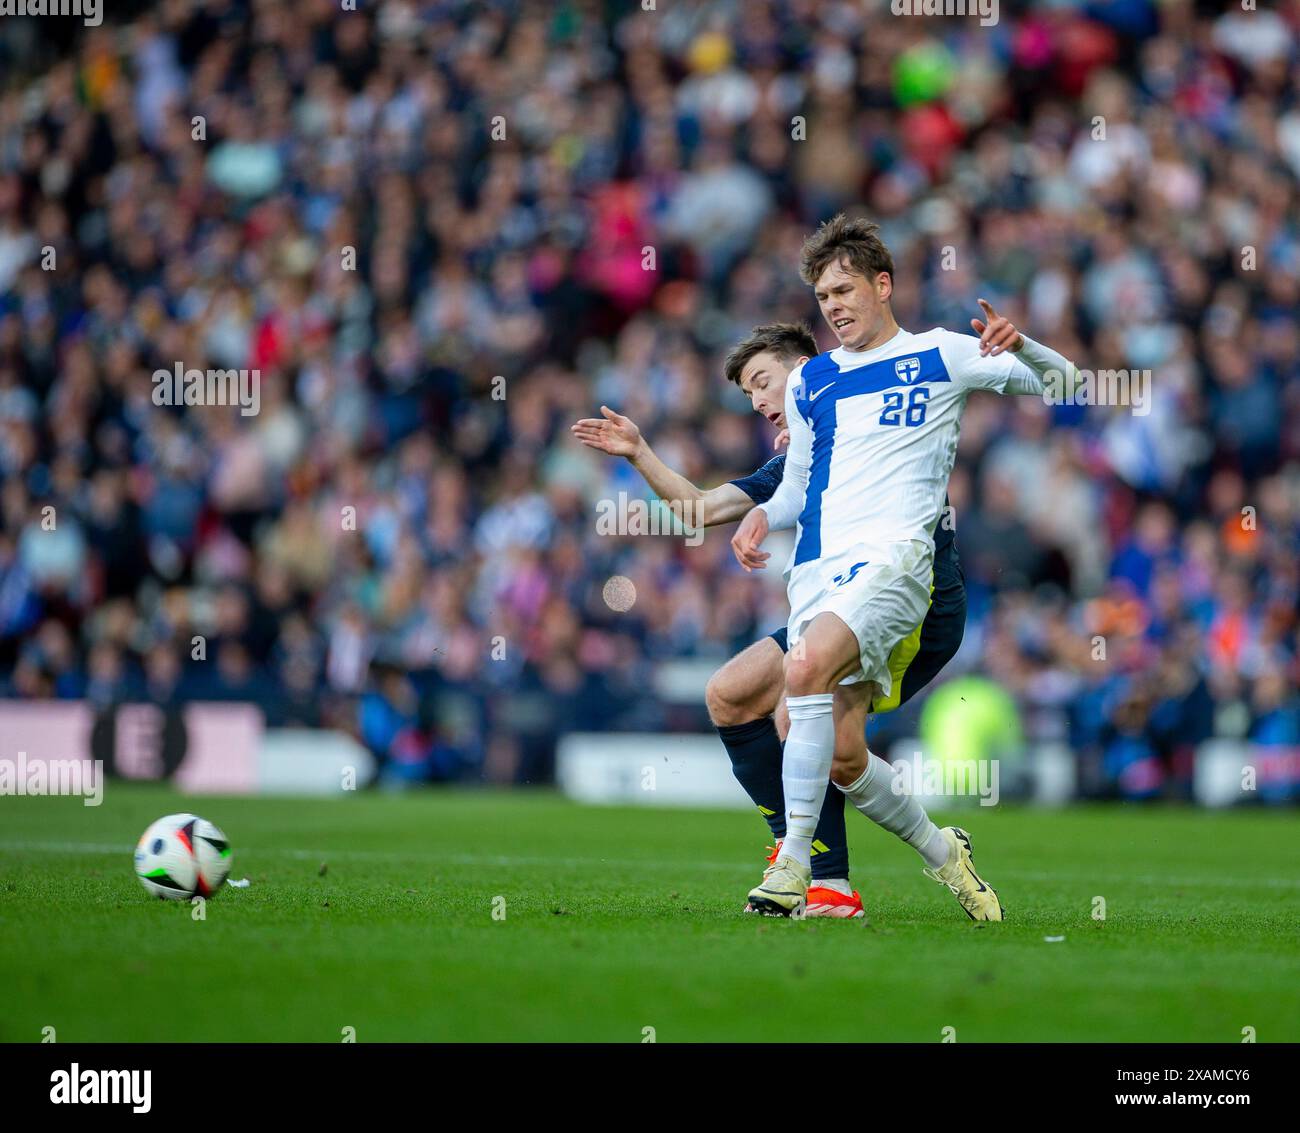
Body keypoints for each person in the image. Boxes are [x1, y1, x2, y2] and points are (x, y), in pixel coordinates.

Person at [733, 214, 1081, 920]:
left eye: (844, 289)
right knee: (842, 753)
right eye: (823, 296)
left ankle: (794, 866)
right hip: (818, 570)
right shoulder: (810, 382)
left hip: (896, 562)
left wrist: (1025, 345)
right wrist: (764, 513)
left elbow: (1068, 383)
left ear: (882, 285)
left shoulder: (941, 353)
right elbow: (799, 484)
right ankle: (944, 852)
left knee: (802, 671)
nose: (833, 306)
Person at [573, 320, 971, 919]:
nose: (758, 401)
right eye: (748, 393)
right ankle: (812, 860)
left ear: (807, 371)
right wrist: (639, 452)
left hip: (915, 604)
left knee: (807, 724)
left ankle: (834, 878)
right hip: (841, 601)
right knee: (731, 695)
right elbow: (699, 510)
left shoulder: (873, 422)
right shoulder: (797, 460)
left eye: (763, 382)